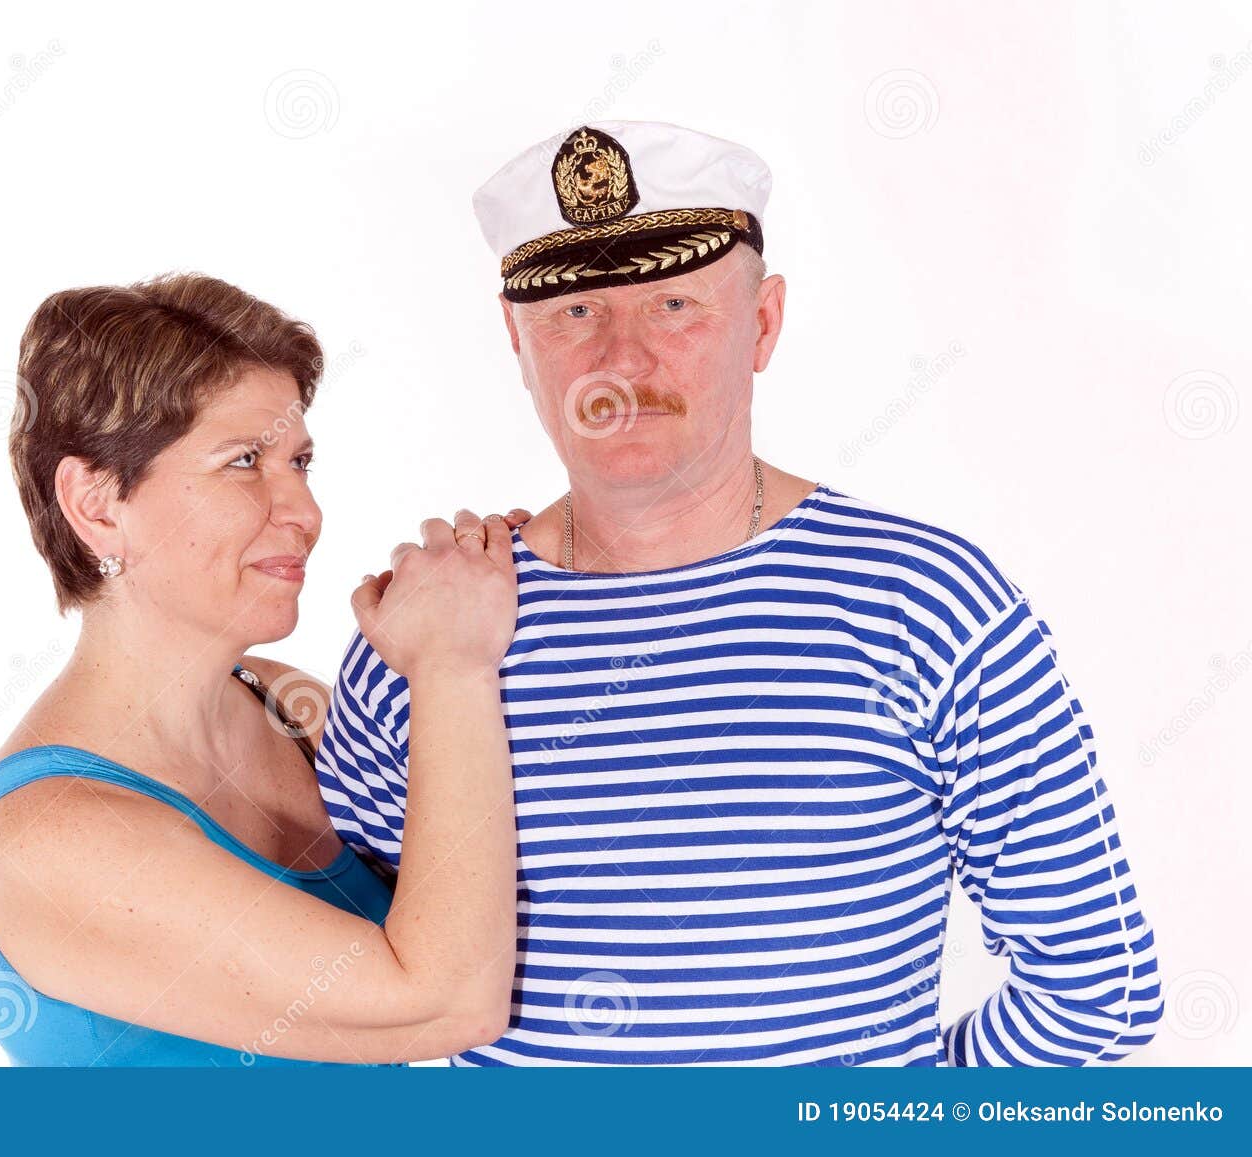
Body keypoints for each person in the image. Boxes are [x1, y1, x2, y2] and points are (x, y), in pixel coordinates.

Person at [316, 121, 1165, 1066]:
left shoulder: (923, 604)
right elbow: (348, 979)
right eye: (575, 315)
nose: (621, 362)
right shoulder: (432, 630)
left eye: (675, 304)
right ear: (515, 340)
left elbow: (1102, 993)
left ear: (762, 324)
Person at [0, 273, 520, 1065]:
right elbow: (445, 1000)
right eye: (244, 461)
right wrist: (452, 667)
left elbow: (477, 867)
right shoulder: (51, 837)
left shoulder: (285, 701)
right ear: (96, 504)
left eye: (300, 461)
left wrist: (525, 586)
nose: (305, 511)